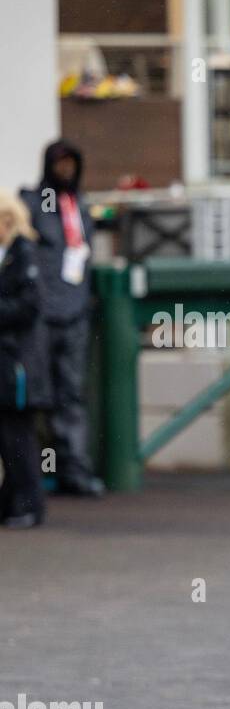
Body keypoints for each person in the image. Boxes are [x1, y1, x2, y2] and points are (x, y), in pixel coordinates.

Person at [20, 139, 104, 497]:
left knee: (71, 395)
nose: (66, 171)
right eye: (61, 164)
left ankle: (74, 471)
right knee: (38, 397)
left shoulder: (79, 206)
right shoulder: (33, 203)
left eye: (72, 164)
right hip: (40, 316)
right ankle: (38, 472)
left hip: (74, 313)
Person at [0, 189, 50, 528]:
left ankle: (30, 505)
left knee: (18, 437)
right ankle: (11, 504)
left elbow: (30, 306)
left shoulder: (24, 253)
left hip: (19, 364)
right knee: (7, 438)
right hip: (8, 361)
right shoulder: (9, 255)